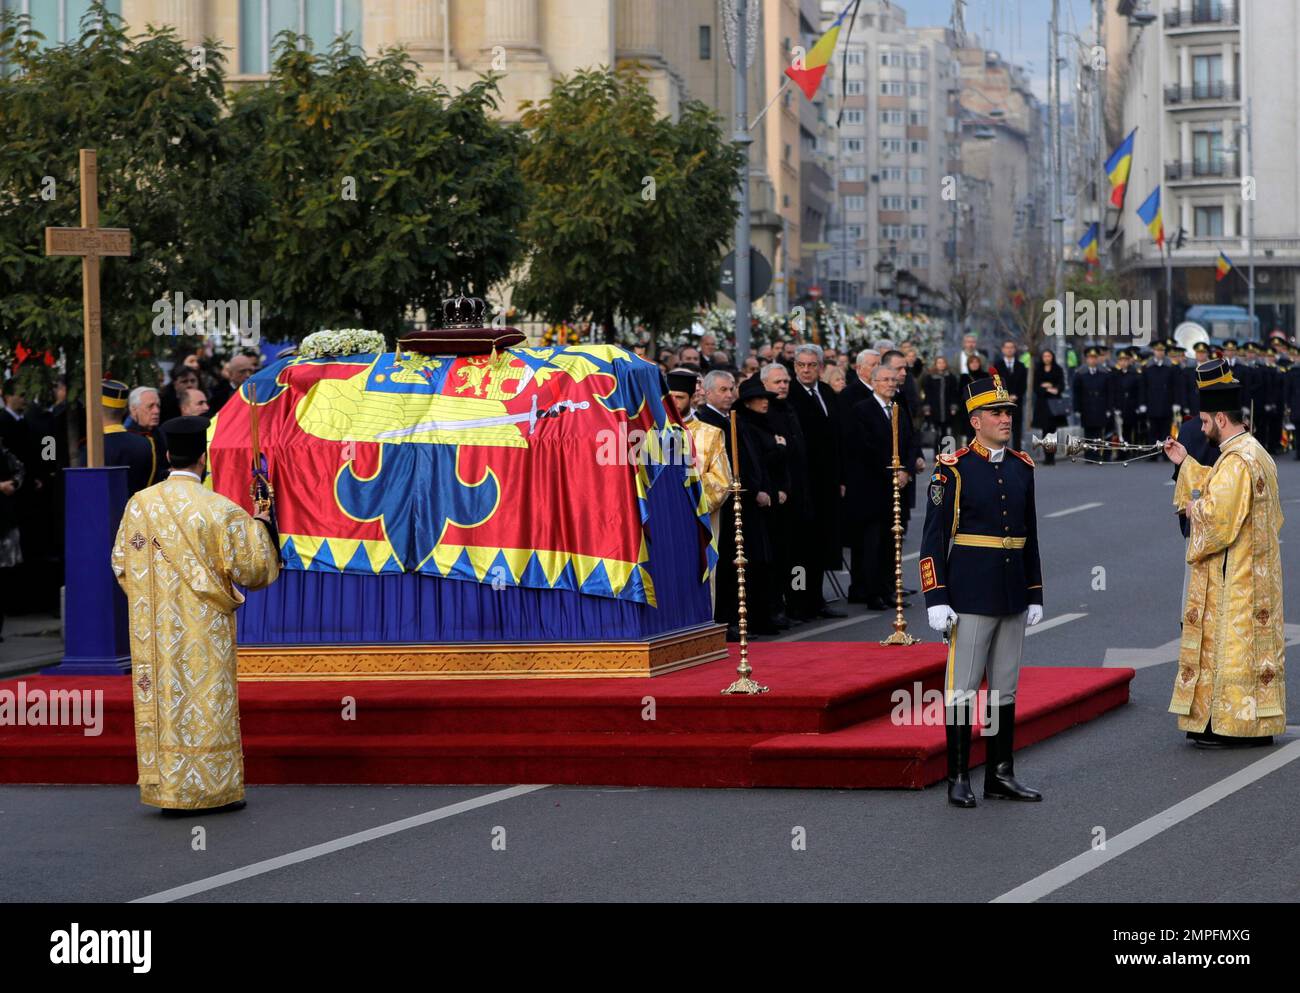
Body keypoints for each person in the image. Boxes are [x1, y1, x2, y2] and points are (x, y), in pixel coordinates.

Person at [111, 416, 281, 814]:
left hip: (155, 629)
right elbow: (255, 571)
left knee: (169, 702)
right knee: (207, 700)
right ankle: (212, 789)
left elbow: (121, 563)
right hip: (207, 627)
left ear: (168, 455)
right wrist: (262, 524)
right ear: (203, 458)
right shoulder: (221, 509)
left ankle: (171, 790)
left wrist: (150, 599)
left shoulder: (140, 505)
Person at [920, 373, 1045, 808]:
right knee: (962, 687)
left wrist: (1034, 592)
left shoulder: (1021, 467)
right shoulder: (952, 470)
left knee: (1004, 688)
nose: (1005, 418)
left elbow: (1029, 534)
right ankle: (958, 775)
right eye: (997, 412)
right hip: (970, 592)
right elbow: (933, 539)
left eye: (1008, 411)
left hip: (1011, 591)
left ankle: (1000, 773)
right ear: (976, 421)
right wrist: (936, 598)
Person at [1163, 365, 1285, 749]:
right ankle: (1247, 720)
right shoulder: (1254, 453)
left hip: (1237, 577)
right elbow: (1225, 493)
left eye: (1203, 421)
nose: (1200, 429)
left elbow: (1218, 520)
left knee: (1228, 648)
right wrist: (1185, 465)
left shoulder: (1235, 461)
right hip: (1255, 571)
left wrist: (1189, 509)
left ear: (1220, 418)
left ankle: (1227, 722)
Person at [785, 344, 846, 621]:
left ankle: (816, 598)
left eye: (811, 365)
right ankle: (799, 601)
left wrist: (840, 478)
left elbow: (838, 438)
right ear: (795, 366)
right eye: (801, 365)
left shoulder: (827, 393)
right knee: (801, 547)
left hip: (827, 483)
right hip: (802, 484)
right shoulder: (791, 396)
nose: (806, 370)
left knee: (821, 543)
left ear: (820, 367)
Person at [845, 363, 911, 609]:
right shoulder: (862, 410)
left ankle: (888, 588)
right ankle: (871, 592)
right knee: (872, 543)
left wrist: (907, 469)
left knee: (891, 540)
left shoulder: (898, 409)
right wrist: (892, 470)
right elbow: (865, 447)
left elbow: (908, 441)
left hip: (896, 487)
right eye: (885, 380)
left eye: (894, 380)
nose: (891, 384)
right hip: (872, 487)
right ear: (874, 383)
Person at [667, 370, 731, 604]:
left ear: (692, 397)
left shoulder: (711, 434)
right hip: (663, 523)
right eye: (669, 397)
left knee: (701, 576)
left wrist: (686, 490)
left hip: (699, 522)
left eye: (679, 398)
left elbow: (722, 482)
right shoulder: (651, 434)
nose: (673, 403)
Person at [735, 376, 784, 635]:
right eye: (760, 398)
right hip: (754, 499)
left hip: (769, 495)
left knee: (770, 559)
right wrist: (758, 491)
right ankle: (760, 615)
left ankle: (771, 612)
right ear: (747, 402)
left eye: (767, 397)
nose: (765, 402)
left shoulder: (765, 422)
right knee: (756, 560)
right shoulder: (744, 425)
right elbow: (752, 462)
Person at [762, 362, 806, 629]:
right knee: (776, 556)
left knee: (794, 554)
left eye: (785, 381)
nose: (782, 386)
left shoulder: (790, 408)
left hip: (796, 491)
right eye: (777, 382)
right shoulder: (766, 414)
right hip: (775, 495)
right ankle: (775, 606)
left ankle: (796, 602)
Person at [102, 380, 160, 497]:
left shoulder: (90, 446)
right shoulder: (145, 444)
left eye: (158, 406)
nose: (156, 411)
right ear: (128, 410)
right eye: (150, 406)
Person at [1141, 339, 1181, 450]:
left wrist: (1176, 402)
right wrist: (1142, 403)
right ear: (1153, 351)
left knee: (1165, 428)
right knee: (1152, 428)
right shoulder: (1147, 366)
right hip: (1152, 402)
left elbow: (1176, 386)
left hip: (1166, 402)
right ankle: (1153, 451)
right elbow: (1143, 386)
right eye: (1157, 350)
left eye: (1162, 350)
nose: (1160, 353)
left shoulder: (1172, 366)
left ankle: (1165, 451)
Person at [991, 340, 1029, 451]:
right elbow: (995, 383)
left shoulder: (1021, 366)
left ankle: (1017, 453)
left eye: (1011, 347)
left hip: (1017, 402)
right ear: (1003, 350)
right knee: (1001, 428)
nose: (1009, 349)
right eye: (1007, 347)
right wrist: (1005, 396)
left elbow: (1024, 384)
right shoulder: (997, 366)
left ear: (1015, 349)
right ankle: (1001, 451)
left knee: (1017, 428)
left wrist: (1016, 395)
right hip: (1001, 402)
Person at [1072, 346, 1110, 456]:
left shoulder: (1104, 373)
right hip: (1086, 405)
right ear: (1086, 359)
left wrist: (1108, 408)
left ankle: (1097, 453)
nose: (1092, 360)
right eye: (1090, 358)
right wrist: (1077, 408)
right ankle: (1088, 453)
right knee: (1088, 431)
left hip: (1100, 405)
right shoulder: (1080, 373)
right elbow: (1077, 392)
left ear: (1097, 359)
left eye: (1094, 358)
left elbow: (1109, 391)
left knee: (1098, 431)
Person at [1032, 350, 1067, 464]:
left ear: (1052, 357)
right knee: (1044, 429)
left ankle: (1051, 457)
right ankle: (1047, 456)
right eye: (1045, 356)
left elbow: (1061, 385)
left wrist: (1050, 386)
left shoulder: (1058, 369)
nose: (1047, 358)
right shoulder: (1038, 370)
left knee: (1052, 430)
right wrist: (1047, 389)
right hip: (1042, 404)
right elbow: (1036, 387)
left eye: (1049, 356)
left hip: (1054, 403)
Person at [922, 355, 960, 449]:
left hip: (947, 408)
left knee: (945, 431)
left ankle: (944, 451)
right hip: (934, 408)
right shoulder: (930, 377)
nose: (941, 365)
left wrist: (953, 407)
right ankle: (936, 451)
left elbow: (954, 393)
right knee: (935, 431)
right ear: (935, 364)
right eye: (939, 363)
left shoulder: (951, 377)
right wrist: (927, 407)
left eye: (943, 362)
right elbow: (927, 393)